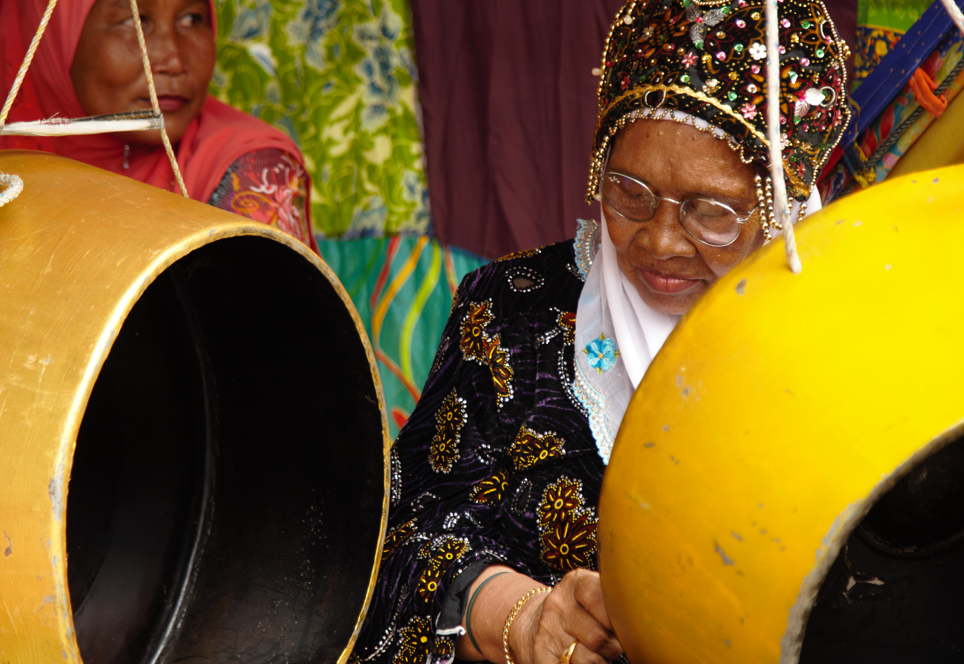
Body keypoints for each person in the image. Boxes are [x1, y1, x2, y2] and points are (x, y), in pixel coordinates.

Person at [352, 2, 850, 664]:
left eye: (711, 212)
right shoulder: (512, 313)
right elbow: (395, 534)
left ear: (784, 204)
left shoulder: (854, 346)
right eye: (630, 193)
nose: (662, 241)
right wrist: (517, 619)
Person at [0, 0, 317, 252]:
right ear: (49, 36)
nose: (174, 60)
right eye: (134, 22)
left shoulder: (256, 173)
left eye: (191, 19)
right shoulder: (10, 165)